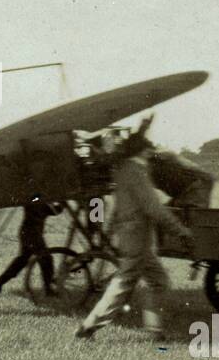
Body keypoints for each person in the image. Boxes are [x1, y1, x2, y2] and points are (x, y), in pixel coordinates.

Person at [76, 122, 193, 342]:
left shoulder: (125, 169)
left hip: (134, 236)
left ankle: (155, 332)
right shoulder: (135, 171)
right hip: (137, 237)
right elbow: (153, 207)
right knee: (124, 284)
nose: (151, 152)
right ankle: (88, 327)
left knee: (158, 281)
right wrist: (180, 231)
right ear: (143, 151)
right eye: (149, 149)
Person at [0, 190, 63, 294]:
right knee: (46, 258)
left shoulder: (37, 201)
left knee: (22, 260)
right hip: (32, 235)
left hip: (27, 234)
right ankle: (48, 288)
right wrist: (61, 202)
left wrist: (61, 203)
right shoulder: (36, 201)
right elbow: (53, 210)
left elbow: (54, 210)